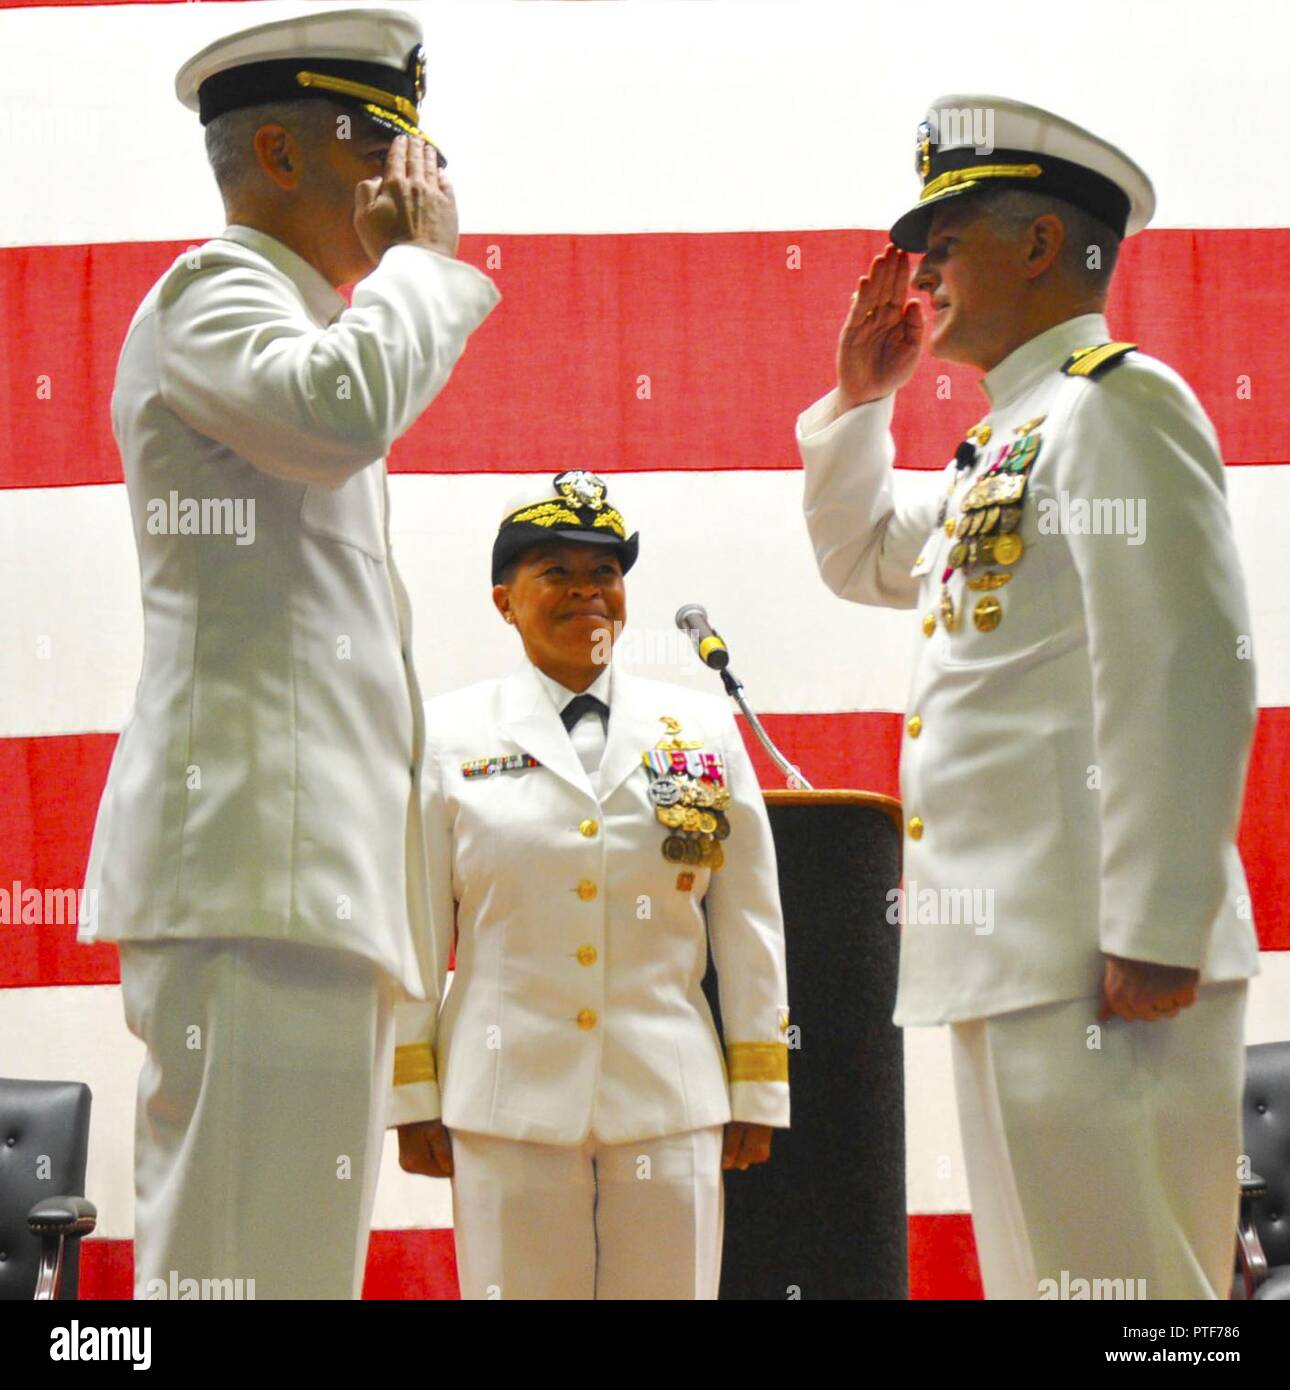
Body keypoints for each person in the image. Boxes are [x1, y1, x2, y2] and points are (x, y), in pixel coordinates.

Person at [797, 95, 1259, 1299]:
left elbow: (1188, 663)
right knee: (1058, 1285)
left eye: (946, 240)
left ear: (1043, 245)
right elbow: (862, 561)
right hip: (1011, 951)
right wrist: (860, 402)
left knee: (1139, 1298)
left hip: (1101, 951)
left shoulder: (1121, 404)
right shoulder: (1008, 436)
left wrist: (1159, 926)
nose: (924, 270)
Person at [76, 7, 499, 1298]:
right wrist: (424, 268)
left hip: (307, 881)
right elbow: (340, 412)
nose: (407, 179)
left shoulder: (297, 318)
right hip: (256, 871)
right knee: (236, 1270)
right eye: (377, 144)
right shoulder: (216, 292)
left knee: (286, 1270)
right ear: (274, 147)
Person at [390, 470, 791, 1299]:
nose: (587, 594)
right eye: (557, 574)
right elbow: (415, 929)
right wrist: (411, 1091)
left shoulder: (701, 728)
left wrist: (758, 1079)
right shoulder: (448, 736)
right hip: (505, 1102)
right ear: (505, 600)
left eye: (605, 574)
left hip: (668, 1094)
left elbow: (749, 918)